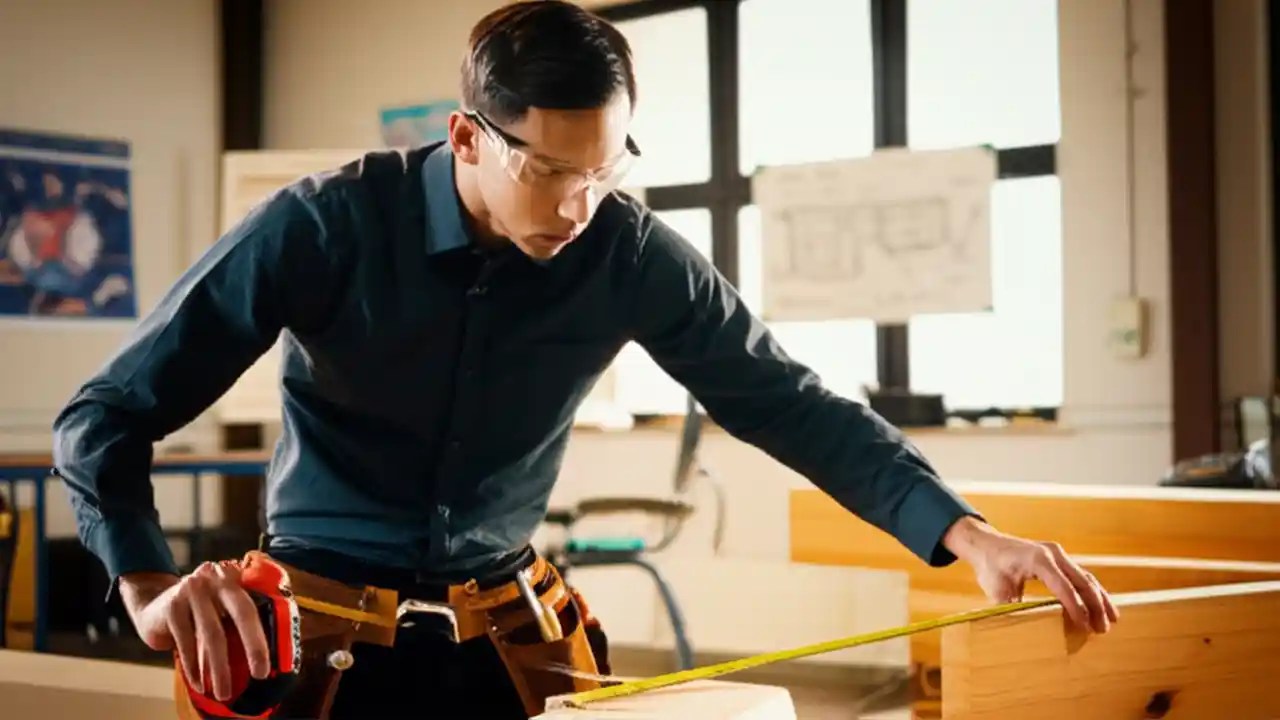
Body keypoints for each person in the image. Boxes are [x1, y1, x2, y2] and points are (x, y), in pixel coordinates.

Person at [51, 1, 1118, 718]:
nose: (576, 205)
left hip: (507, 635)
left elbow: (788, 402)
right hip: (317, 633)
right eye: (548, 169)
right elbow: (108, 413)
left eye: (604, 171)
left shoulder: (628, 251)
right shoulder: (324, 227)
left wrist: (968, 537)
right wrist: (144, 580)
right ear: (467, 138)